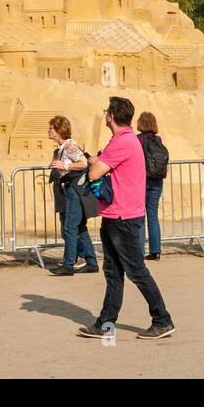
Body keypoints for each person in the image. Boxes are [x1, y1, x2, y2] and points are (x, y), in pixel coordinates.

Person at [77, 96, 174, 340]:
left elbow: (94, 173)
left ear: (110, 116)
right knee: (113, 273)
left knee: (136, 271)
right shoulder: (125, 140)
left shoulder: (121, 142)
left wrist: (94, 164)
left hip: (123, 217)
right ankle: (105, 323)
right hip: (117, 214)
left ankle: (162, 320)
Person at [47, 116, 97, 276]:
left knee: (69, 227)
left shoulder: (69, 145)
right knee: (80, 228)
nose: (49, 131)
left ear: (59, 130)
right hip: (71, 189)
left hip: (75, 190)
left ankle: (68, 265)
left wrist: (65, 165)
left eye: (51, 128)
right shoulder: (64, 146)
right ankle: (91, 262)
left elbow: (83, 163)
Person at [136, 112, 168, 260]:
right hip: (157, 181)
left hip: (142, 180)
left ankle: (140, 251)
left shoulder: (138, 139)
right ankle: (156, 251)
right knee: (153, 216)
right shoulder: (158, 139)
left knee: (140, 216)